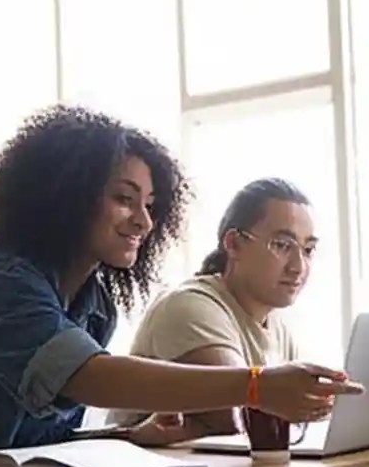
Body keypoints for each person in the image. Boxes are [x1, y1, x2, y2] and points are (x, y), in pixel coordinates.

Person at [0, 106, 360, 460]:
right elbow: (85, 376)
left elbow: (36, 440)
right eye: (124, 198)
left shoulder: (93, 302)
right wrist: (256, 386)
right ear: (65, 194)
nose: (143, 222)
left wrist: (127, 436)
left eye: (150, 206)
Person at [106, 178, 316, 442]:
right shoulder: (190, 305)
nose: (298, 266)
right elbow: (231, 419)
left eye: (308, 250)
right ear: (234, 244)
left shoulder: (278, 326)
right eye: (282, 245)